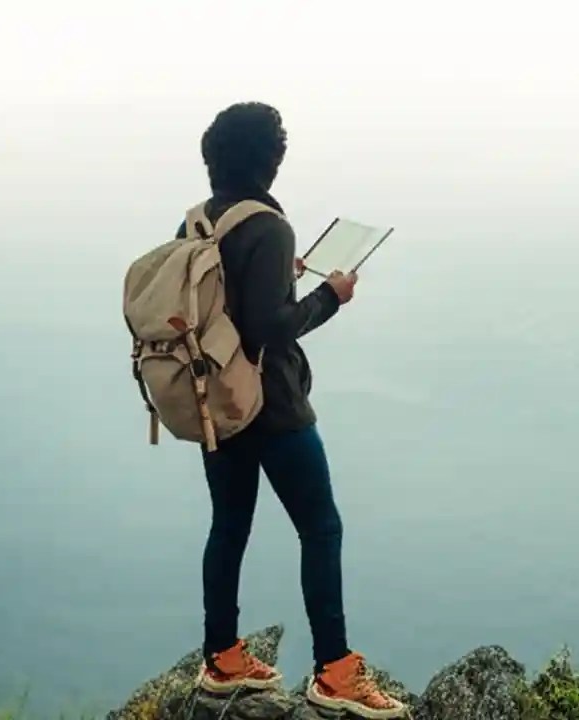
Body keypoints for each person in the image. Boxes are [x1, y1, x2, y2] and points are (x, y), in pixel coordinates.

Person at [178, 102, 407, 720]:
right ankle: (335, 672)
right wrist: (330, 295)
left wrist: (288, 274)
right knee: (321, 527)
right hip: (273, 406)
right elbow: (271, 327)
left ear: (213, 158)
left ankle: (221, 656)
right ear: (271, 160)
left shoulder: (199, 221)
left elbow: (224, 303)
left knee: (229, 526)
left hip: (215, 405)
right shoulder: (270, 226)